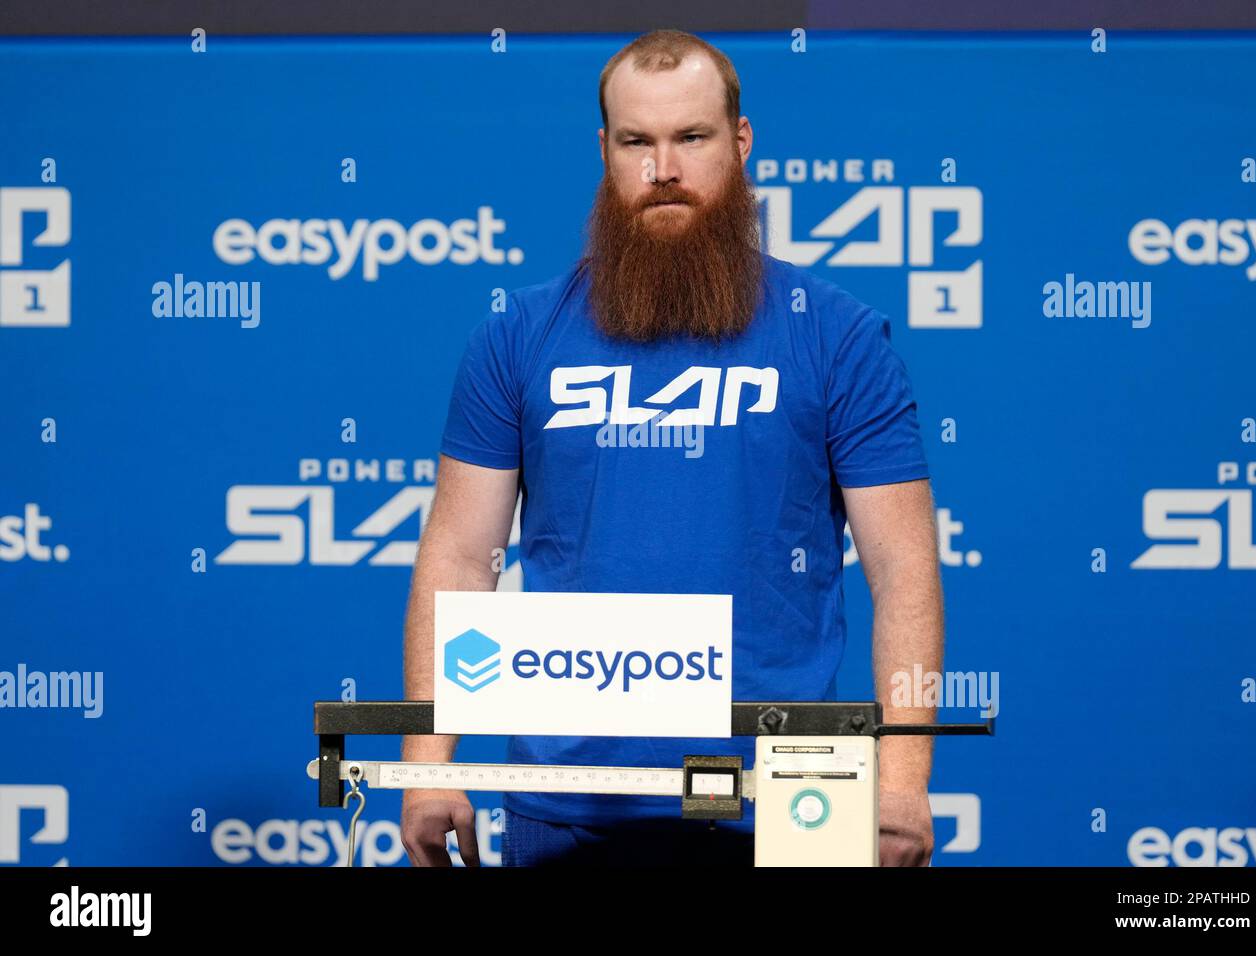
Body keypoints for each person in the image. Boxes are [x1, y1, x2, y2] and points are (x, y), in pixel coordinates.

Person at [399, 28, 943, 867]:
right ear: (606, 152)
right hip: (570, 804)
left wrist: (904, 776)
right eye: (637, 143)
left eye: (691, 137)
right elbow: (462, 556)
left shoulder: (836, 337)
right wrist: (427, 765)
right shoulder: (517, 335)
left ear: (741, 141)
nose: (665, 169)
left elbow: (903, 565)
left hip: (792, 795)